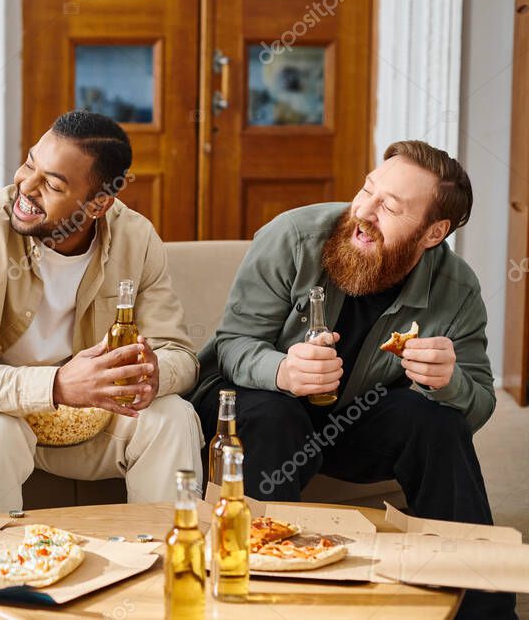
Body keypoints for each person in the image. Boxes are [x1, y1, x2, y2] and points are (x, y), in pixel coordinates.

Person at [189, 140, 515, 619]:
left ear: (433, 232)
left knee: (437, 422)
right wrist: (281, 370)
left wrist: (449, 383)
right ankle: (262, 600)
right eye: (368, 189)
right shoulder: (294, 237)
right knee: (275, 414)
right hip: (253, 408)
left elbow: (480, 404)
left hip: (348, 422)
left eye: (390, 207)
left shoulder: (457, 287)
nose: (364, 210)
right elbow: (233, 345)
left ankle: (483, 610)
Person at [0, 110, 203, 513]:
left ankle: (164, 570)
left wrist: (153, 374)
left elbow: (180, 355)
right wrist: (57, 386)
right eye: (30, 163)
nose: (26, 185)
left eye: (52, 184)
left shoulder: (137, 237)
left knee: (174, 417)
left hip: (89, 425)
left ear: (98, 204)